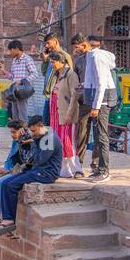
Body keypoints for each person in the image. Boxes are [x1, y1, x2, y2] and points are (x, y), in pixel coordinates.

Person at [0, 118, 63, 236]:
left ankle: (9, 220)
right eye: (31, 131)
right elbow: (31, 158)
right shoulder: (41, 137)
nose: (32, 133)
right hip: (37, 170)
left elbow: (40, 160)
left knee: (11, 184)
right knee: (6, 183)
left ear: (41, 126)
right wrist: (26, 144)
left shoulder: (49, 139)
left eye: (34, 131)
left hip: (47, 173)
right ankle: (7, 219)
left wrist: (34, 142)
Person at [82, 33, 118, 182]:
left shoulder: (97, 57)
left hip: (102, 101)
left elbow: (101, 83)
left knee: (102, 136)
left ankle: (104, 171)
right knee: (97, 135)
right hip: (98, 99)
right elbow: (93, 80)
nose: (78, 48)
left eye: (80, 45)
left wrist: (96, 106)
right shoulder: (91, 57)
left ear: (87, 45)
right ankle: (97, 169)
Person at [0, 119, 31, 226]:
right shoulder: (16, 141)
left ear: (21, 131)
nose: (12, 135)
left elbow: (27, 164)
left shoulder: (27, 142)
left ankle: (1, 215)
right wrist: (4, 170)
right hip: (11, 170)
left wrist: (8, 171)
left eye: (14, 132)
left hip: (20, 172)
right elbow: (10, 159)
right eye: (11, 132)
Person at [47, 49, 83, 177]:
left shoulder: (70, 74)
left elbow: (75, 95)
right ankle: (64, 170)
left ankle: (76, 169)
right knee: (59, 142)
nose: (52, 65)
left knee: (68, 141)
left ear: (61, 62)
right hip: (56, 114)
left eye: (53, 62)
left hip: (66, 113)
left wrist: (69, 113)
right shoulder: (57, 75)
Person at [70, 34, 93, 178]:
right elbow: (77, 81)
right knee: (81, 134)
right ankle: (79, 166)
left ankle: (98, 167)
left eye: (77, 46)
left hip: (98, 101)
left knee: (100, 136)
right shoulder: (78, 61)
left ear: (83, 44)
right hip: (84, 101)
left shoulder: (96, 58)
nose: (75, 49)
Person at [4, 39, 40, 127]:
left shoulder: (27, 59)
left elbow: (35, 74)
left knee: (23, 115)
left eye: (11, 50)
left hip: (23, 91)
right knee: (15, 116)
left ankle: (25, 134)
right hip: (14, 91)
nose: (10, 53)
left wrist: (22, 81)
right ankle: (17, 135)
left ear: (16, 49)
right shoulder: (14, 60)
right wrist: (3, 71)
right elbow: (13, 76)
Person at [40, 31, 62, 124]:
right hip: (48, 95)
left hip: (56, 96)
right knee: (46, 123)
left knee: (51, 124)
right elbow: (44, 73)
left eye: (48, 43)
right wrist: (45, 60)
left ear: (55, 41)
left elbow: (65, 74)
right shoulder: (51, 57)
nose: (46, 46)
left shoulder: (62, 56)